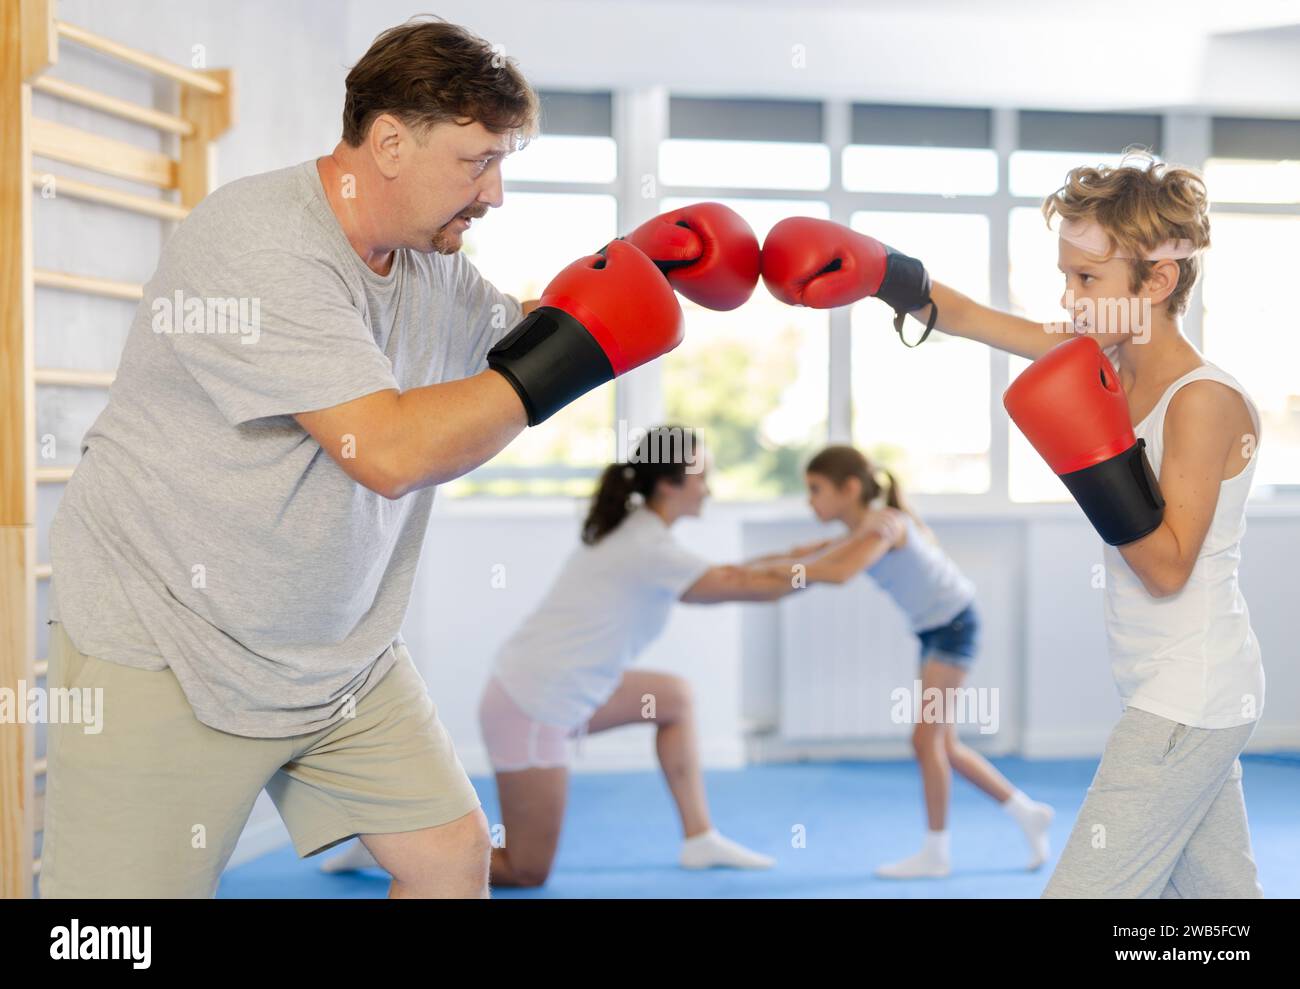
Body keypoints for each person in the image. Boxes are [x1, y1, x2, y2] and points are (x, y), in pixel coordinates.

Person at [40, 18, 754, 899]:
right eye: (477, 162)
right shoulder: (258, 243)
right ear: (387, 142)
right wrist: (590, 339)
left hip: (339, 660)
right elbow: (386, 449)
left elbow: (522, 342)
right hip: (170, 644)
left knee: (452, 859)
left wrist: (646, 269)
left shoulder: (430, 266)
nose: (494, 195)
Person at [761, 149, 1265, 898]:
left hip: (1187, 698)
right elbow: (971, 319)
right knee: (1218, 912)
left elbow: (1166, 567)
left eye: (1087, 279)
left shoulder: (1201, 401)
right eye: (1066, 275)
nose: (1070, 295)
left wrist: (1094, 458)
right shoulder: (1100, 360)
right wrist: (881, 275)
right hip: (1179, 693)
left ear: (1157, 281)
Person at [324, 425, 883, 885]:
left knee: (674, 699)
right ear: (671, 485)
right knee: (526, 868)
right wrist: (836, 568)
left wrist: (829, 548)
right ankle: (384, 850)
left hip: (560, 688)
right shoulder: (647, 544)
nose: (709, 489)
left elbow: (745, 570)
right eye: (703, 478)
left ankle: (699, 838)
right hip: (533, 706)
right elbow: (741, 583)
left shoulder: (644, 532)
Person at [753, 445, 1053, 878]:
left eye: (816, 489)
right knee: (942, 744)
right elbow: (810, 554)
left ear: (849, 488)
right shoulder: (860, 528)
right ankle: (1027, 813)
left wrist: (785, 570)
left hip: (954, 627)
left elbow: (838, 573)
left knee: (924, 741)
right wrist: (747, 568)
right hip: (937, 629)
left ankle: (936, 853)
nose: (810, 500)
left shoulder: (883, 526)